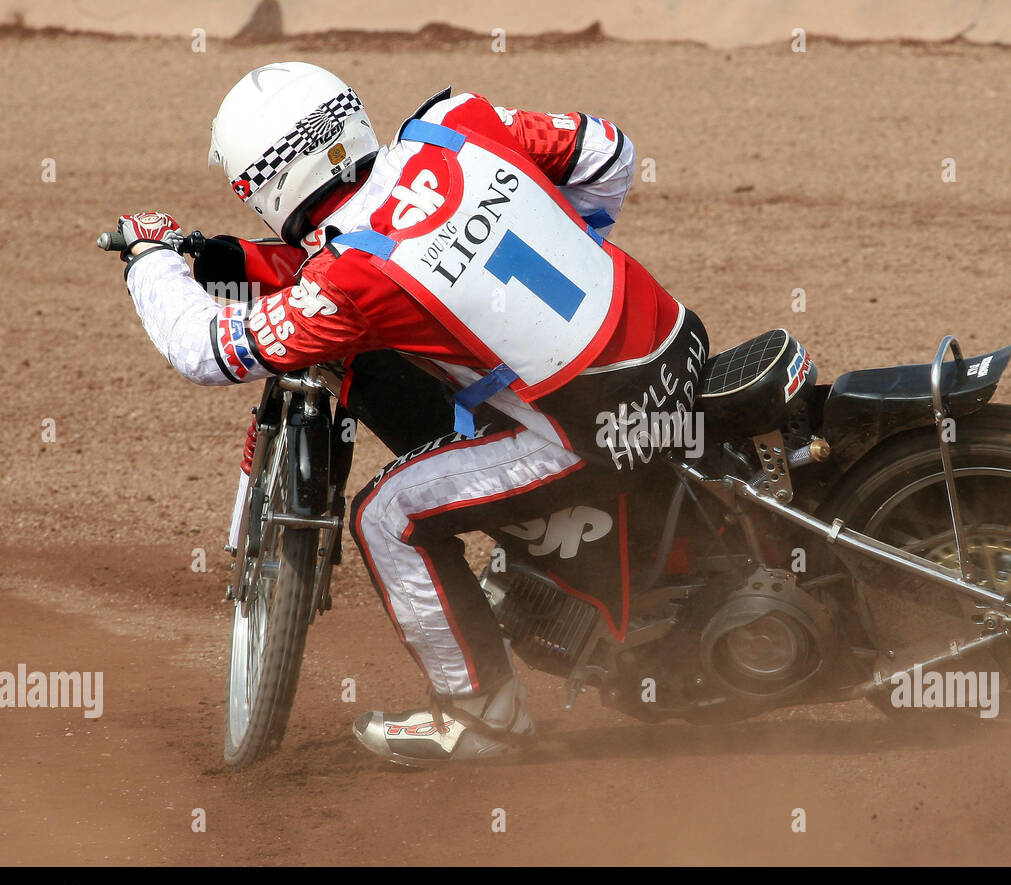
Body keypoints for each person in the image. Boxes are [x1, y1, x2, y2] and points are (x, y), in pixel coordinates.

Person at [112, 62, 708, 766]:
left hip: (599, 429)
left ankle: (481, 715)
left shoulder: (351, 280)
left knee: (387, 514)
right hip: (675, 343)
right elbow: (609, 153)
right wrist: (570, 241)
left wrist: (150, 258)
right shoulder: (454, 125)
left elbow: (204, 349)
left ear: (266, 182)